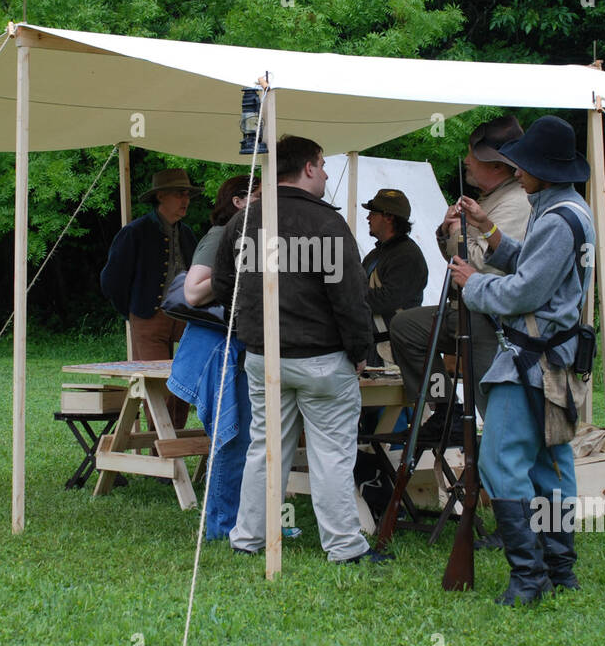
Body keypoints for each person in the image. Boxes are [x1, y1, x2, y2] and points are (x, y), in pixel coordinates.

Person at [212, 135, 388, 564]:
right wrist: (361, 349)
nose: (327, 174)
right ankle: (344, 547)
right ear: (308, 167)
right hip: (322, 359)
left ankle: (248, 537)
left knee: (264, 450)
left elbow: (223, 286)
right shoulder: (326, 223)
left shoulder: (244, 221)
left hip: (262, 356)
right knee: (331, 455)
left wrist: (246, 331)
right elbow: (349, 297)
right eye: (322, 165)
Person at [450, 115, 594, 606]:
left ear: (543, 170)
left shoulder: (557, 218)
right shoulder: (565, 209)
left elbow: (525, 291)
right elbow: (533, 266)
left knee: (500, 461)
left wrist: (474, 284)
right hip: (552, 358)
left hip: (533, 359)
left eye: (524, 164)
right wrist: (490, 232)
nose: (516, 169)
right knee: (550, 465)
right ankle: (559, 571)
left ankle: (529, 577)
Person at [389, 116, 531, 434]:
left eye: (473, 155)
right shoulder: (493, 199)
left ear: (495, 166)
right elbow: (459, 260)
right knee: (407, 328)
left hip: (490, 318)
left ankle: (497, 461)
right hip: (467, 309)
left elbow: (482, 265)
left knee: (490, 407)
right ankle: (445, 408)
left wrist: (455, 232)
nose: (467, 160)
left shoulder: (514, 204)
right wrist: (448, 231)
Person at [167, 174, 260, 540]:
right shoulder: (221, 235)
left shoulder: (253, 238)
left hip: (240, 345)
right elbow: (192, 293)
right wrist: (236, 272)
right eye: (260, 195)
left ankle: (247, 522)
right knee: (232, 437)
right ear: (238, 202)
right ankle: (222, 527)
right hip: (219, 346)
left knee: (250, 437)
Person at [100, 168, 201, 430]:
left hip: (184, 317)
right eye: (180, 193)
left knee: (184, 382)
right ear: (160, 196)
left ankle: (175, 442)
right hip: (148, 316)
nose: (185, 199)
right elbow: (112, 280)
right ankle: (161, 453)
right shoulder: (135, 232)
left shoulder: (188, 234)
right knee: (158, 387)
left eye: (187, 194)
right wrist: (135, 313)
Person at [360, 187, 428, 366]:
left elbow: (387, 299)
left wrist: (348, 297)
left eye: (373, 213)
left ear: (388, 217)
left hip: (391, 351)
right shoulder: (376, 254)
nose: (368, 218)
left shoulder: (408, 255)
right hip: (372, 346)